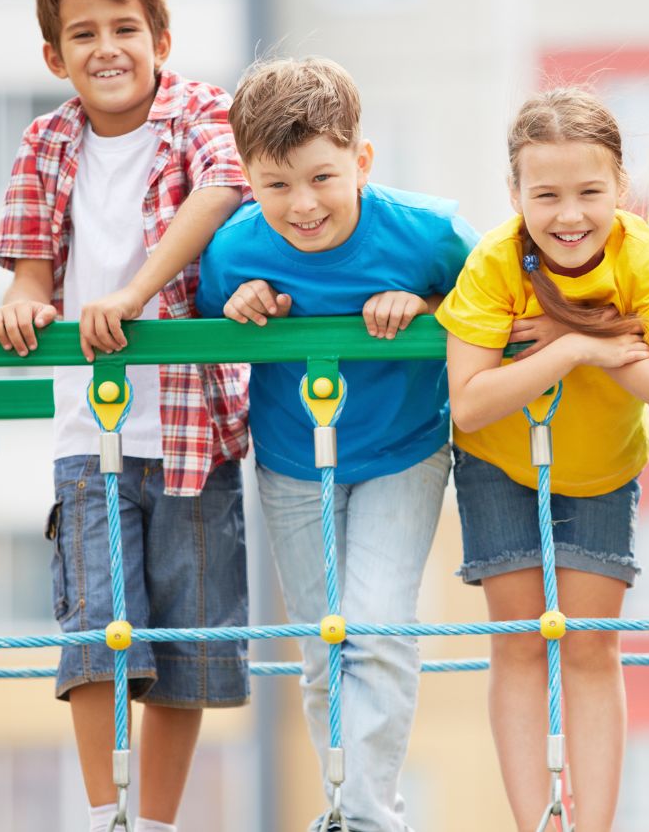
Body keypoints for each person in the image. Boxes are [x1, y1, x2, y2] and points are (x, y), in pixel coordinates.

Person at [0, 0, 252, 832]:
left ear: (160, 41)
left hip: (192, 426)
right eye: (83, 34)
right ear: (55, 56)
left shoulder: (200, 112)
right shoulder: (46, 142)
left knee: (186, 643)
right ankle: (108, 818)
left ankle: (157, 822)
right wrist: (22, 307)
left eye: (125, 29)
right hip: (87, 432)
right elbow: (31, 275)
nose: (107, 48)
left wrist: (134, 293)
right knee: (96, 633)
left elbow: (225, 187)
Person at [197, 55, 478, 832]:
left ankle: (368, 818)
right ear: (248, 180)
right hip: (293, 461)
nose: (302, 204)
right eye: (275, 185)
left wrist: (426, 304)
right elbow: (207, 315)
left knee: (378, 629)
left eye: (322, 177)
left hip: (404, 450)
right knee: (324, 647)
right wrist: (241, 306)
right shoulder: (234, 251)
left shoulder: (428, 231)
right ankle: (341, 803)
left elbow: (498, 294)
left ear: (362, 160)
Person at [436, 87, 649, 831]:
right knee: (520, 646)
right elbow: (469, 404)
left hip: (601, 468)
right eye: (546, 195)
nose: (569, 215)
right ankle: (538, 822)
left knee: (591, 647)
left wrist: (580, 338)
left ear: (620, 187)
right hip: (500, 462)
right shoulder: (495, 262)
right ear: (515, 194)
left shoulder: (641, 256)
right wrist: (574, 349)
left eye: (589, 192)